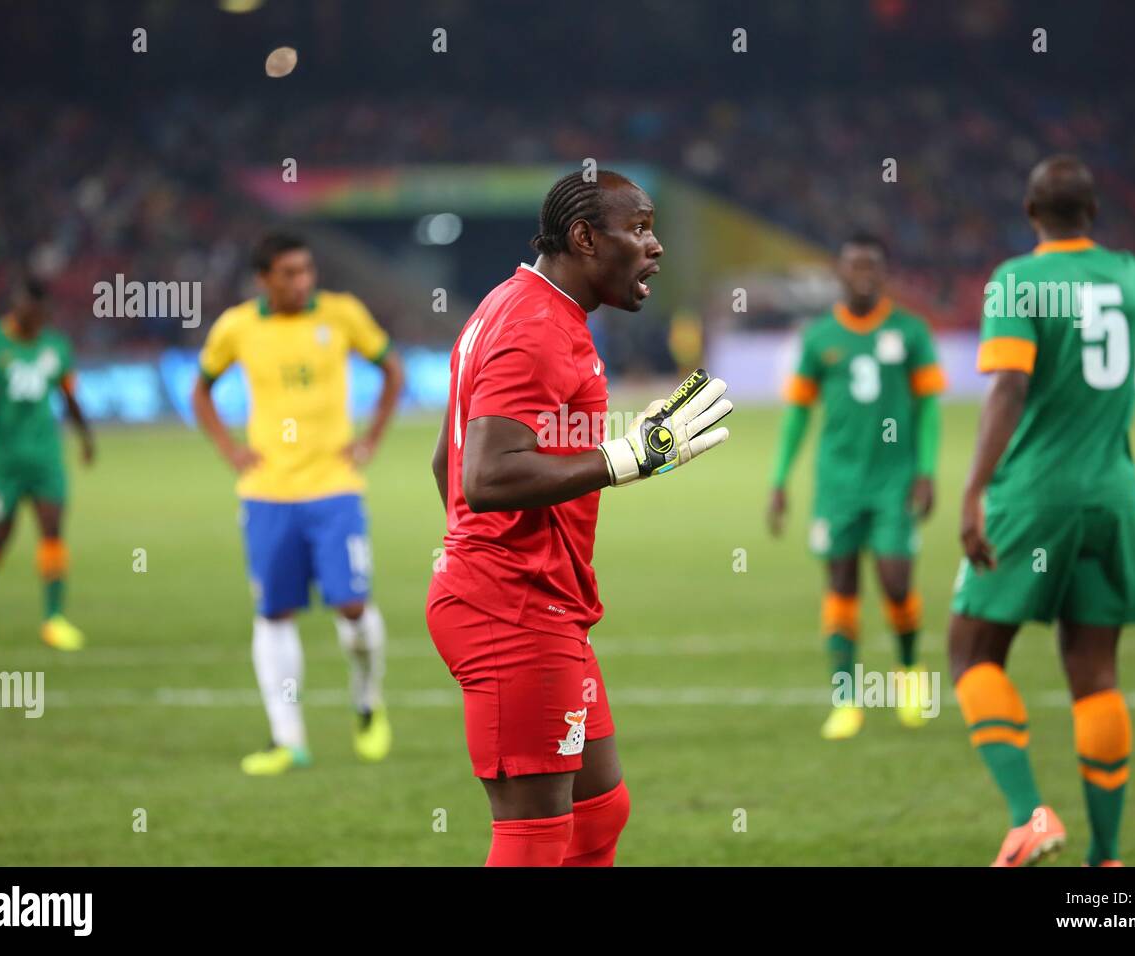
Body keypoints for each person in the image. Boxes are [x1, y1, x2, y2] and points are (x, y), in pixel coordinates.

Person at [427, 170, 732, 866]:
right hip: (512, 609)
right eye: (641, 228)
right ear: (585, 238)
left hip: (533, 602)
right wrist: (627, 457)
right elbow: (485, 474)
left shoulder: (517, 306)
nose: (655, 247)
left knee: (597, 816)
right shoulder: (534, 325)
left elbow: (447, 461)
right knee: (534, 840)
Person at [949, 155, 1135, 866]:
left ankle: (1029, 815)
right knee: (1095, 675)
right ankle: (1106, 858)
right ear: (1094, 213)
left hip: (1035, 494)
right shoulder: (1131, 275)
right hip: (1112, 495)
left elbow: (1009, 385)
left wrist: (975, 489)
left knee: (971, 651)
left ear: (1029, 212)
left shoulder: (1018, 280)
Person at [193, 233, 404, 775]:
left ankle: (366, 701)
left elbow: (393, 369)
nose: (302, 281)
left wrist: (371, 439)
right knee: (274, 613)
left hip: (334, 487)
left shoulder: (342, 315)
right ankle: (288, 739)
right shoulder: (237, 327)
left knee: (353, 609)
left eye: (306, 270)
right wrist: (228, 448)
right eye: (289, 273)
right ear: (263, 278)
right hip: (267, 494)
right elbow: (201, 389)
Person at [768, 234, 945, 739]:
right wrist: (779, 479)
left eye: (873, 266)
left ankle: (909, 676)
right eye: (854, 267)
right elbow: (798, 414)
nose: (863, 275)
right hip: (837, 487)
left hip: (894, 484)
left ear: (884, 273)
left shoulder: (910, 332)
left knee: (896, 582)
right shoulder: (821, 337)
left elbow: (929, 407)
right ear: (840, 274)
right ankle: (847, 699)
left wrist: (926, 470)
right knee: (841, 585)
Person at [0, 276, 93, 651]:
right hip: (4, 460)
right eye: (36, 313)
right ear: (20, 308)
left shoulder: (55, 347)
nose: (41, 320)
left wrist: (85, 438)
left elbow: (69, 398)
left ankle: (53, 619)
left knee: (52, 529)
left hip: (45, 456)